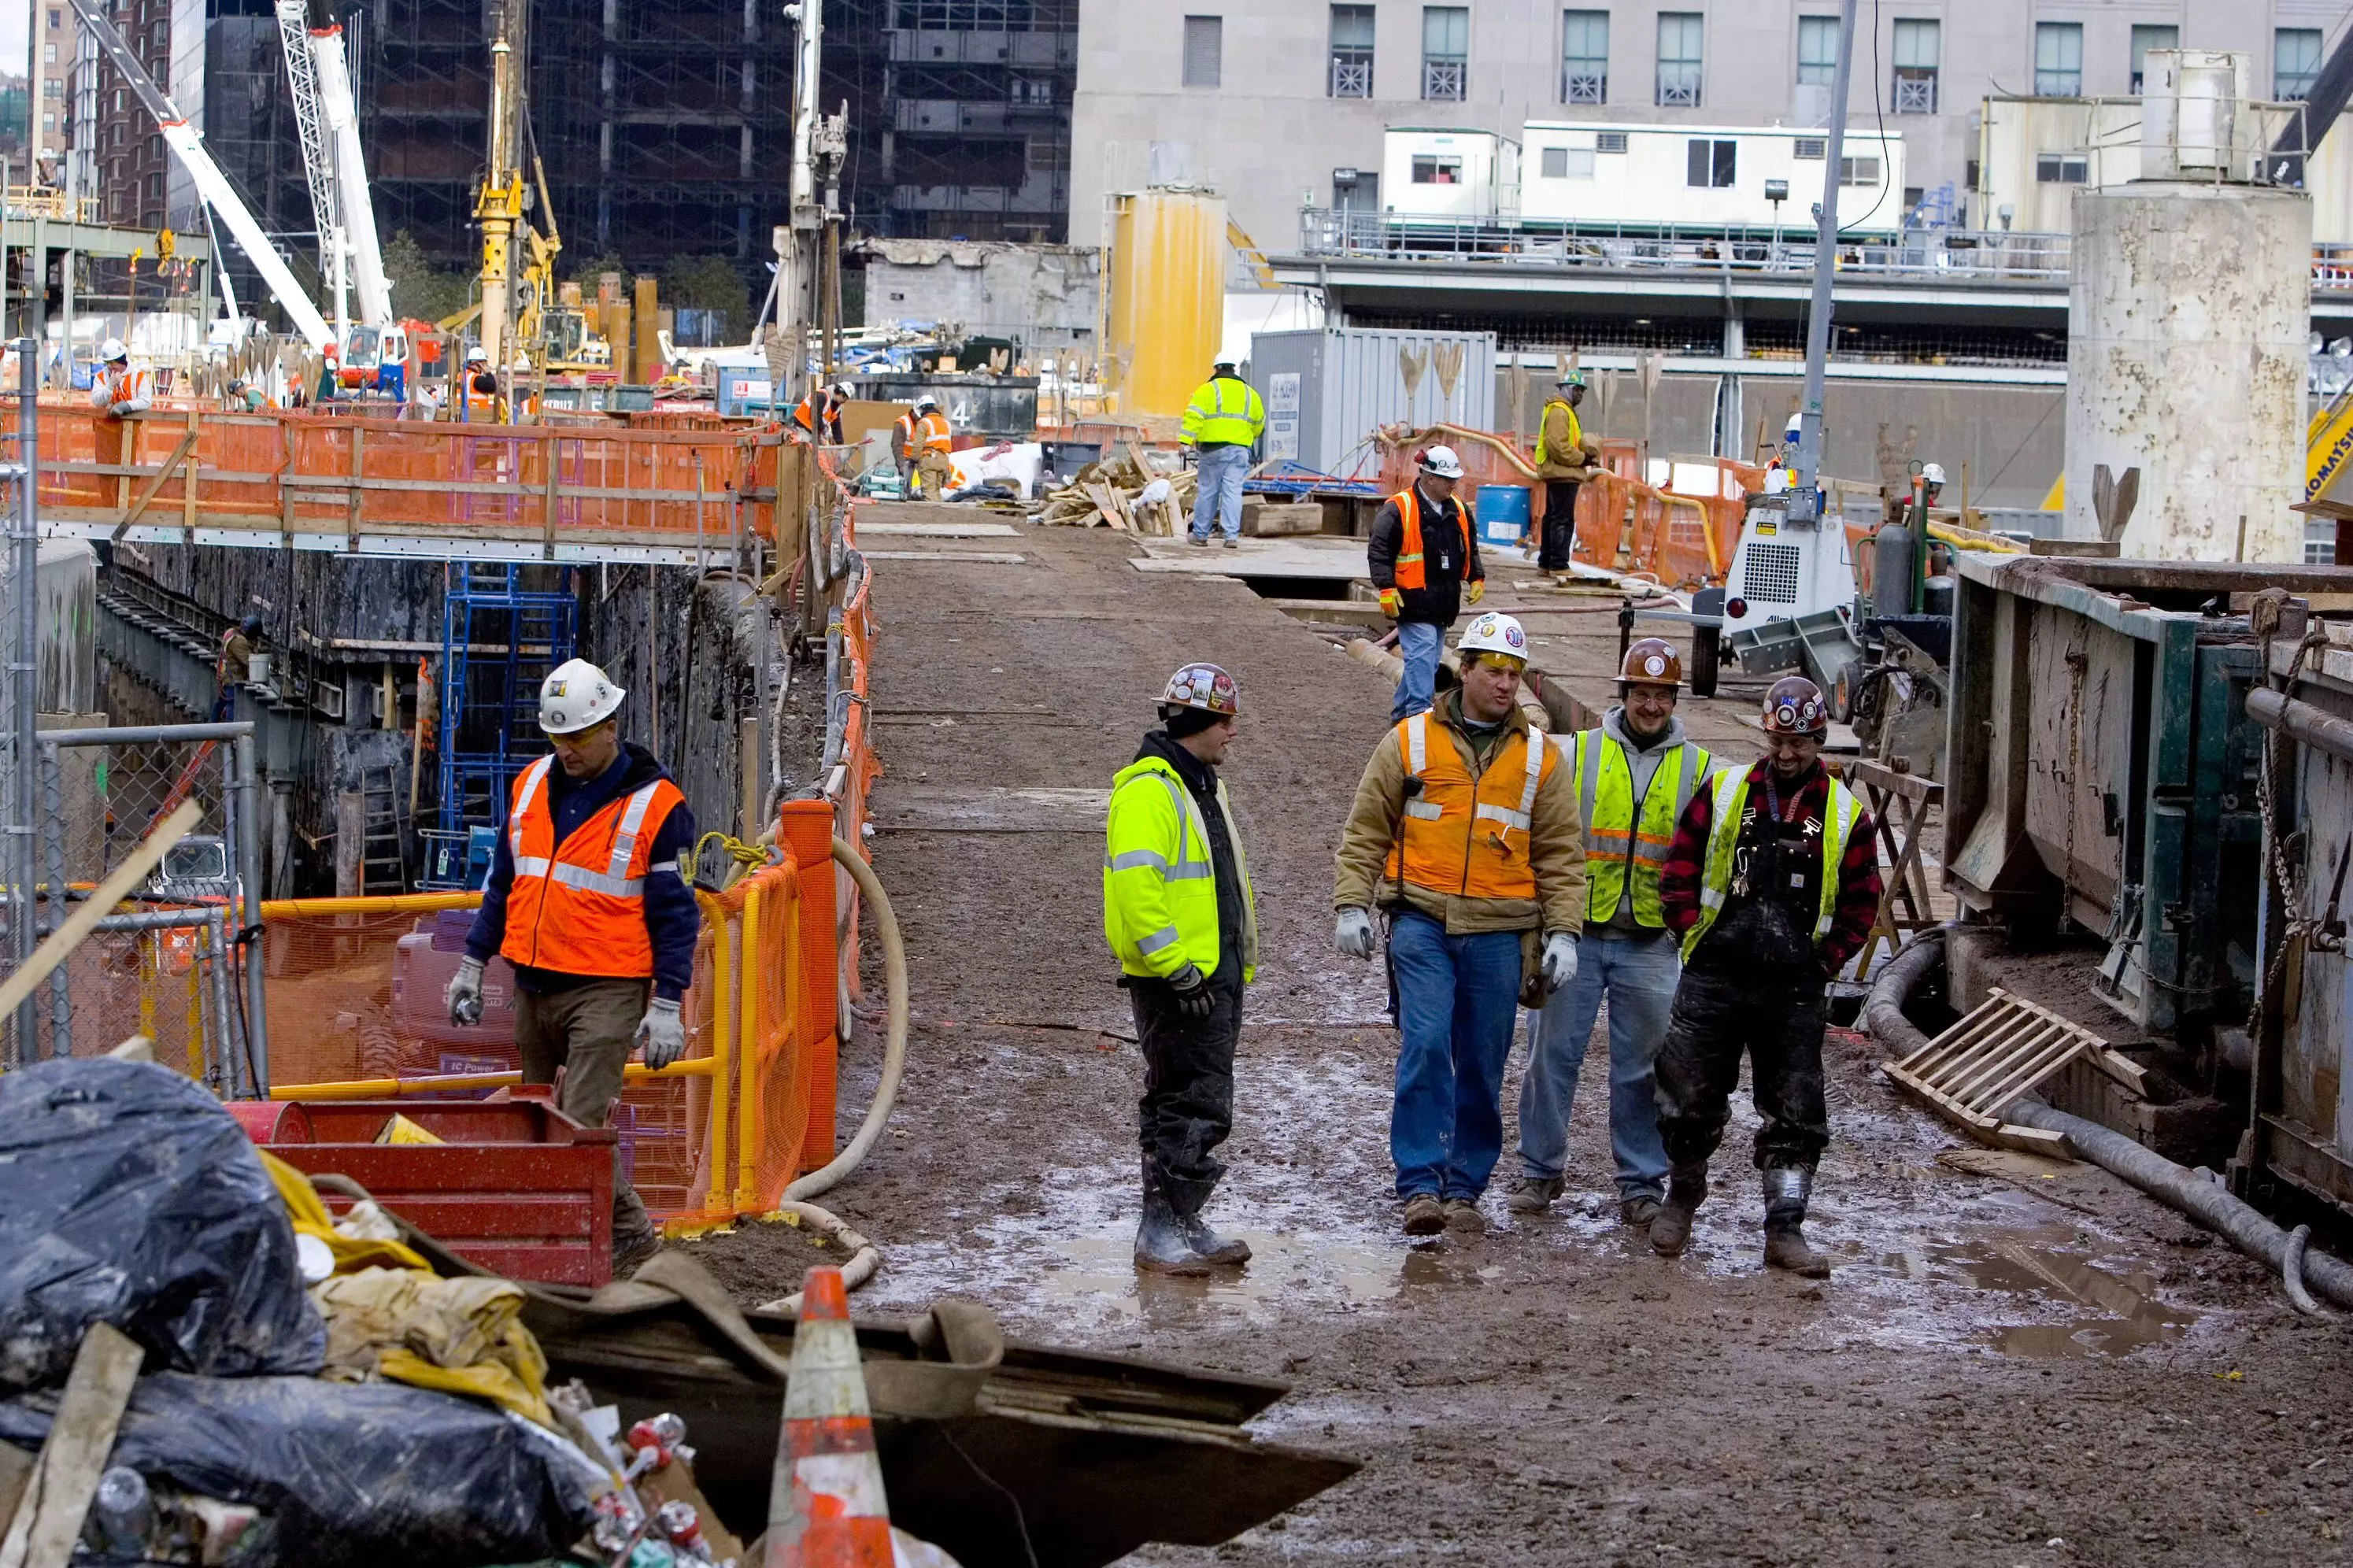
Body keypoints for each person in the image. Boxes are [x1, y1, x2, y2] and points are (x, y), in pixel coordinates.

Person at [1333, 612, 1586, 1237]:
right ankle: (1420, 1184)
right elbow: (1367, 827)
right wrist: (1350, 904)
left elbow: (1559, 852)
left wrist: (1563, 931)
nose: (1505, 685)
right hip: (1420, 920)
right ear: (1464, 670)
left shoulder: (1539, 760)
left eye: (1514, 674)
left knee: (1480, 1059)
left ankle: (1464, 1186)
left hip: (1501, 933)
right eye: (1494, 672)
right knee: (1424, 1044)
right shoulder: (1411, 741)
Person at [446, 657, 699, 1275]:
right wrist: (472, 964)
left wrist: (667, 1003)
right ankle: (561, 1236)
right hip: (534, 983)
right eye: (557, 738)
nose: (567, 751)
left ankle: (627, 1235)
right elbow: (504, 884)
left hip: (607, 988)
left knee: (578, 1125)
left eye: (579, 737)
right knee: (539, 1119)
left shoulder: (658, 807)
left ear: (611, 725)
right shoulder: (531, 784)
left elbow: (676, 913)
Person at [1650, 675, 1881, 1278]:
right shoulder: (1724, 792)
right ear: (1764, 732)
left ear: (1818, 739)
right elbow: (1679, 864)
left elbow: (1862, 902)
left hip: (1793, 988)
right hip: (1714, 977)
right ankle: (1681, 1200)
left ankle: (1784, 1229)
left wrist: (1826, 961)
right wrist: (1686, 931)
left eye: (1799, 742)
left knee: (1795, 1111)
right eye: (1778, 739)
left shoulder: (1844, 814)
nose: (1786, 754)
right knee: (1687, 1097)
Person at [1508, 638, 1715, 1226]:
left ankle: (1640, 1185)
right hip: (1575, 935)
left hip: (1651, 943)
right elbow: (1541, 839)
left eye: (1662, 695)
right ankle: (1539, 1173)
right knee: (1549, 1059)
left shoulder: (1700, 770)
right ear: (1622, 694)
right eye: (1641, 693)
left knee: (1645, 1069)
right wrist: (1542, 925)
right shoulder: (1576, 754)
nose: (1651, 705)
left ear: (1674, 700)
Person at [1102, 662, 1260, 1274]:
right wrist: (1178, 969)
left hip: (1207, 972)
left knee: (1204, 1100)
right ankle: (1161, 1228)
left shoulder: (1198, 785)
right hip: (1179, 979)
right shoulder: (1150, 791)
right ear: (1202, 721)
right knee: (1182, 1099)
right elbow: (1137, 892)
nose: (1233, 734)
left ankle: (1183, 1218)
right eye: (1227, 721)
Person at [1367, 445, 1483, 723]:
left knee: (1428, 661)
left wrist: (1476, 577)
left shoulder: (1458, 510)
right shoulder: (1399, 508)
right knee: (1421, 657)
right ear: (1429, 477)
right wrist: (1386, 587)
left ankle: (1400, 716)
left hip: (1442, 602)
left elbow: (1470, 548)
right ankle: (1419, 716)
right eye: (1448, 479)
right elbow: (1379, 550)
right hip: (1412, 600)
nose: (1453, 485)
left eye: (1455, 479)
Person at [1182, 358, 1264, 550]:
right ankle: (1231, 537)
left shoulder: (1208, 389)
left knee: (1208, 491)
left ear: (1217, 368)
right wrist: (1244, 435)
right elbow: (1259, 424)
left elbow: (1193, 416)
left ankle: (1201, 535)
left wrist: (1185, 441)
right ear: (1234, 368)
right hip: (1240, 451)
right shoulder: (1250, 393)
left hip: (1213, 451)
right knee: (1233, 492)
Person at [1531, 371, 1599, 572]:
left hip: (1560, 473)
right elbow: (1557, 446)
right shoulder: (1560, 412)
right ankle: (1559, 565)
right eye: (1578, 390)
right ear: (1568, 389)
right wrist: (1582, 458)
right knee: (1562, 520)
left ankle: (1546, 563)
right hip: (1563, 474)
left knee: (1553, 518)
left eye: (1582, 391)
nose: (1580, 394)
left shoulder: (1562, 411)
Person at [213, 615, 265, 719]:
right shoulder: (238, 641)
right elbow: (249, 660)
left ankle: (210, 725)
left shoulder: (231, 632)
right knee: (232, 706)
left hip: (226, 674)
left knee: (222, 702)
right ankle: (230, 731)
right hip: (233, 678)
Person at [90, 338, 153, 417]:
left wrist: (127, 406)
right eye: (107, 363)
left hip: (133, 428)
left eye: (112, 363)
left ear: (121, 360)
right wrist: (110, 386)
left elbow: (146, 402)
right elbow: (97, 402)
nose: (109, 366)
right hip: (104, 427)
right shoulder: (101, 377)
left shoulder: (138, 376)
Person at [911, 394, 954, 498]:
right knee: (937, 491)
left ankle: (931, 514)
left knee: (929, 492)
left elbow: (918, 444)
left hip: (929, 460)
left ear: (923, 409)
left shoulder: (924, 423)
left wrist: (914, 459)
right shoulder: (946, 423)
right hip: (943, 460)